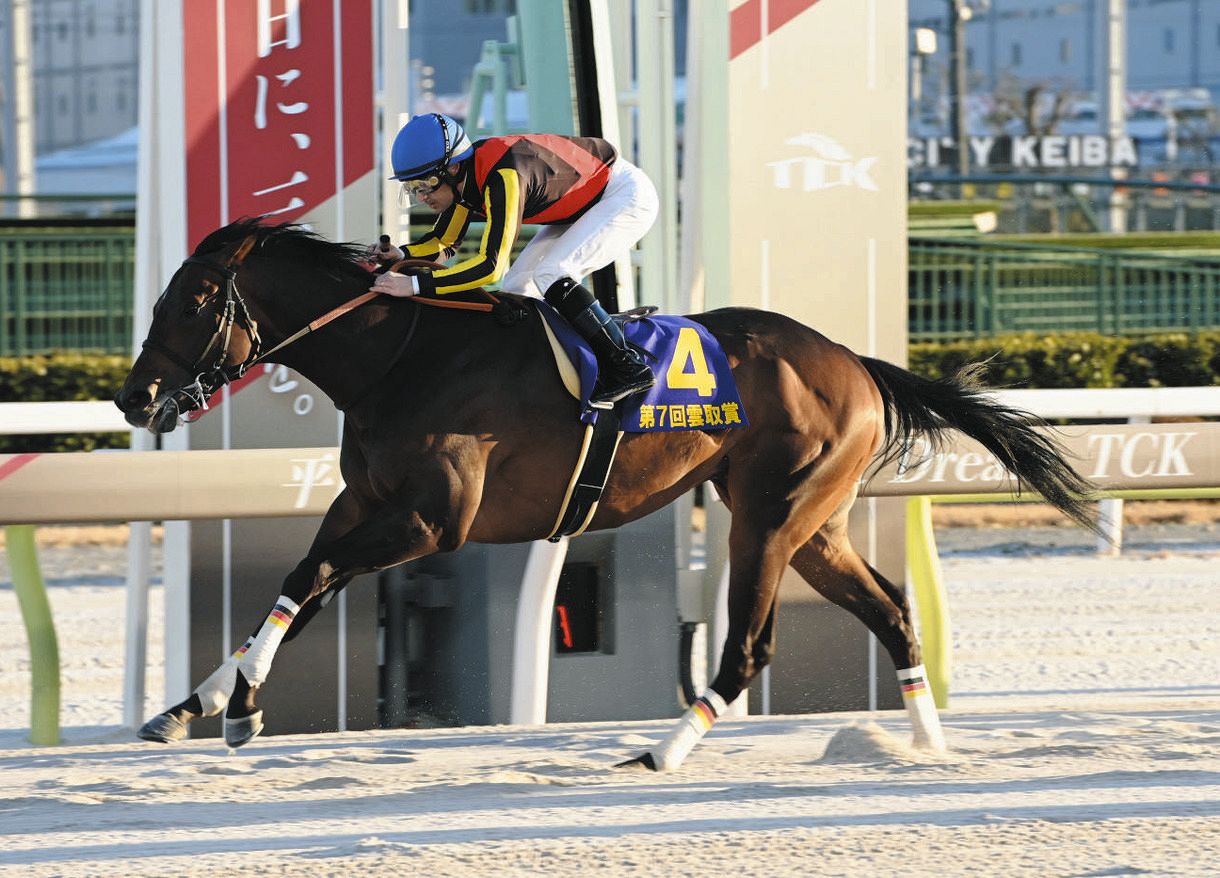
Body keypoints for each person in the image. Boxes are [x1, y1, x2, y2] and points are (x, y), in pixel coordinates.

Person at [372, 112, 658, 407]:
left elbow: (490, 267)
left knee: (552, 272)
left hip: (623, 196)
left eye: (425, 184)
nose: (421, 197)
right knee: (518, 287)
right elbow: (444, 242)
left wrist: (416, 285)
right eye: (412, 188)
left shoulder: (503, 176)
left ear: (453, 168)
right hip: (581, 206)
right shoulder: (463, 182)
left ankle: (626, 365)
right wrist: (402, 254)